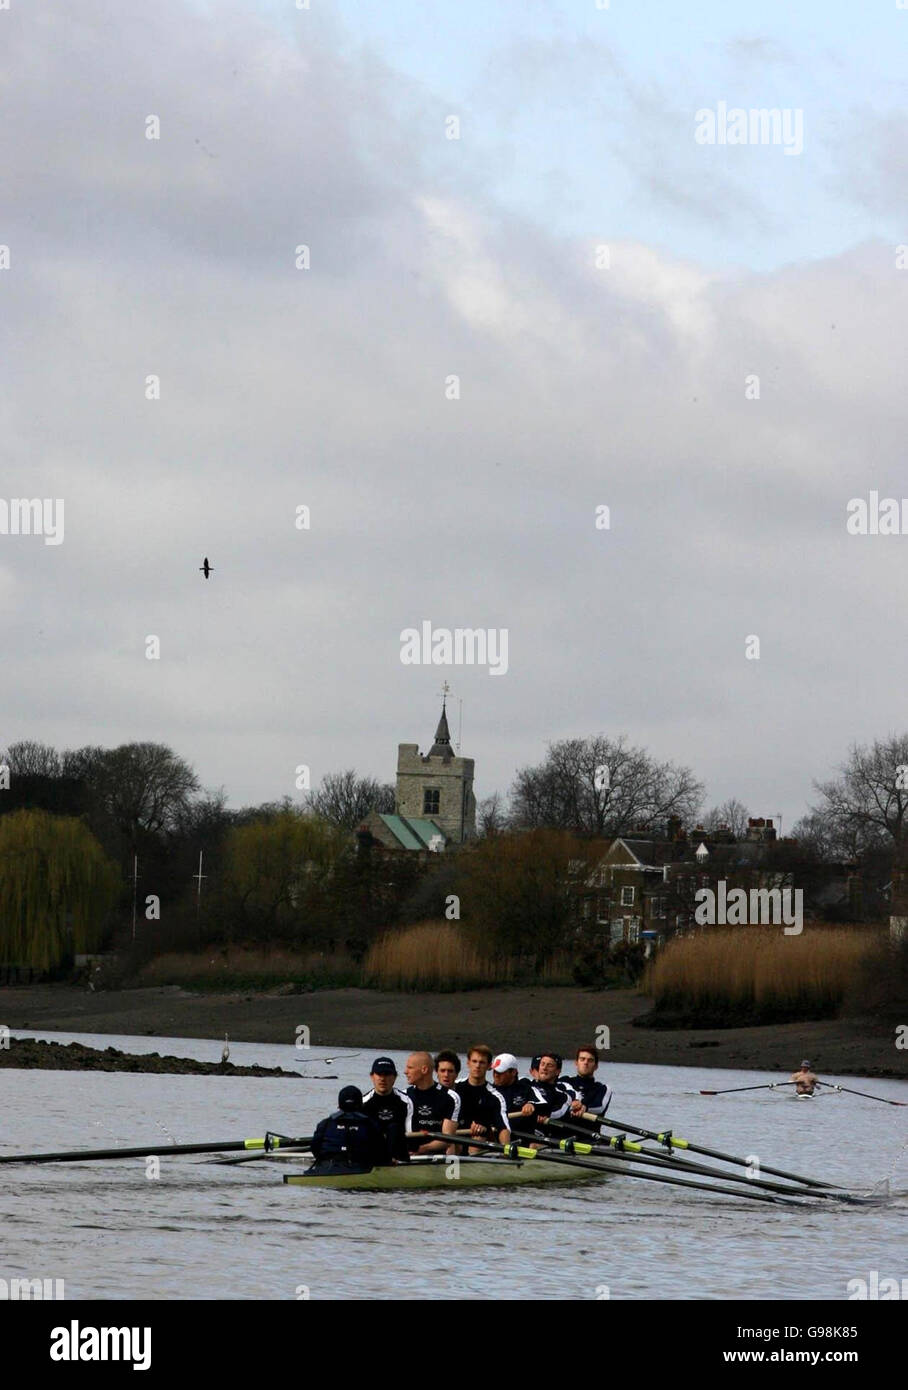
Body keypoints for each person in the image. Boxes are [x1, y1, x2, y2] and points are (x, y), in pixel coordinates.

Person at [307, 1086, 391, 1175]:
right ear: (361, 1105)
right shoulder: (371, 1125)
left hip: (325, 1171)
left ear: (339, 1105)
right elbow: (382, 1152)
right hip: (361, 1171)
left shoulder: (325, 1124)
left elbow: (315, 1148)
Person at [454, 1044, 510, 1151]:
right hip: (454, 1137)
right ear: (468, 1063)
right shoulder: (455, 1089)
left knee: (476, 1142)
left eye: (482, 1062)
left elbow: (504, 1128)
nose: (477, 1066)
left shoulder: (495, 1096)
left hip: (480, 1141)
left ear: (489, 1066)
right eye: (474, 1061)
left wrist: (506, 1150)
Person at [405, 1051, 460, 1152]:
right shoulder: (404, 1096)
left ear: (424, 1070)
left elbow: (447, 1139)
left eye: (410, 1068)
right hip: (408, 1157)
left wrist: (421, 1149)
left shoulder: (450, 1098)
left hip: (435, 1158)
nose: (405, 1071)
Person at [362, 1056, 413, 1162]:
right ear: (372, 1076)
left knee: (394, 1128)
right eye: (379, 1074)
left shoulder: (406, 1101)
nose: (382, 1078)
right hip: (371, 1154)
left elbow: (410, 1134)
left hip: (399, 1156)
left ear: (394, 1077)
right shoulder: (363, 1103)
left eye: (387, 1074)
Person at [490, 1053, 546, 1140]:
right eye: (494, 1071)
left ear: (513, 1072)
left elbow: (544, 1105)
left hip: (522, 1137)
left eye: (500, 1072)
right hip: (494, 1135)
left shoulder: (527, 1089)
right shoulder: (488, 1091)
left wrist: (531, 1105)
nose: (496, 1075)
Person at [564, 1045, 612, 1117]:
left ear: (596, 1066)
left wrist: (585, 1108)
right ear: (576, 1063)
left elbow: (600, 1107)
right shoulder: (564, 1081)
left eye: (590, 1060)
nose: (586, 1063)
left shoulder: (602, 1088)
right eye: (582, 1059)